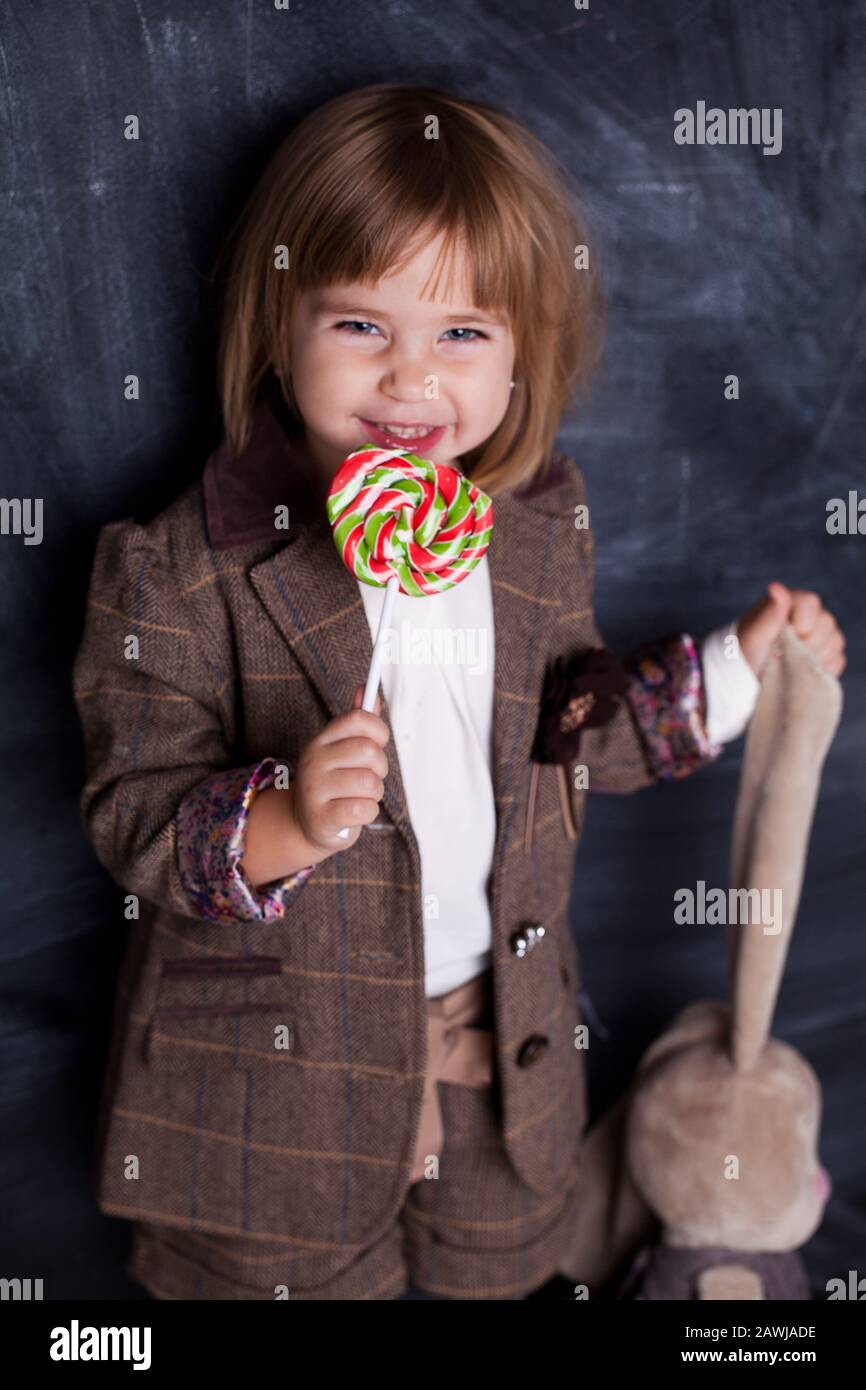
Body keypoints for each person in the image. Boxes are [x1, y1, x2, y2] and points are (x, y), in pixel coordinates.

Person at [73, 83, 846, 1301]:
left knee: (501, 1277)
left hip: (498, 1045)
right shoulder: (180, 565)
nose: (410, 381)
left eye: (462, 335)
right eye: (361, 328)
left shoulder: (537, 539)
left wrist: (739, 660)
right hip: (280, 1092)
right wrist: (281, 819)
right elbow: (132, 816)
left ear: (520, 356)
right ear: (281, 331)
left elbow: (576, 733)